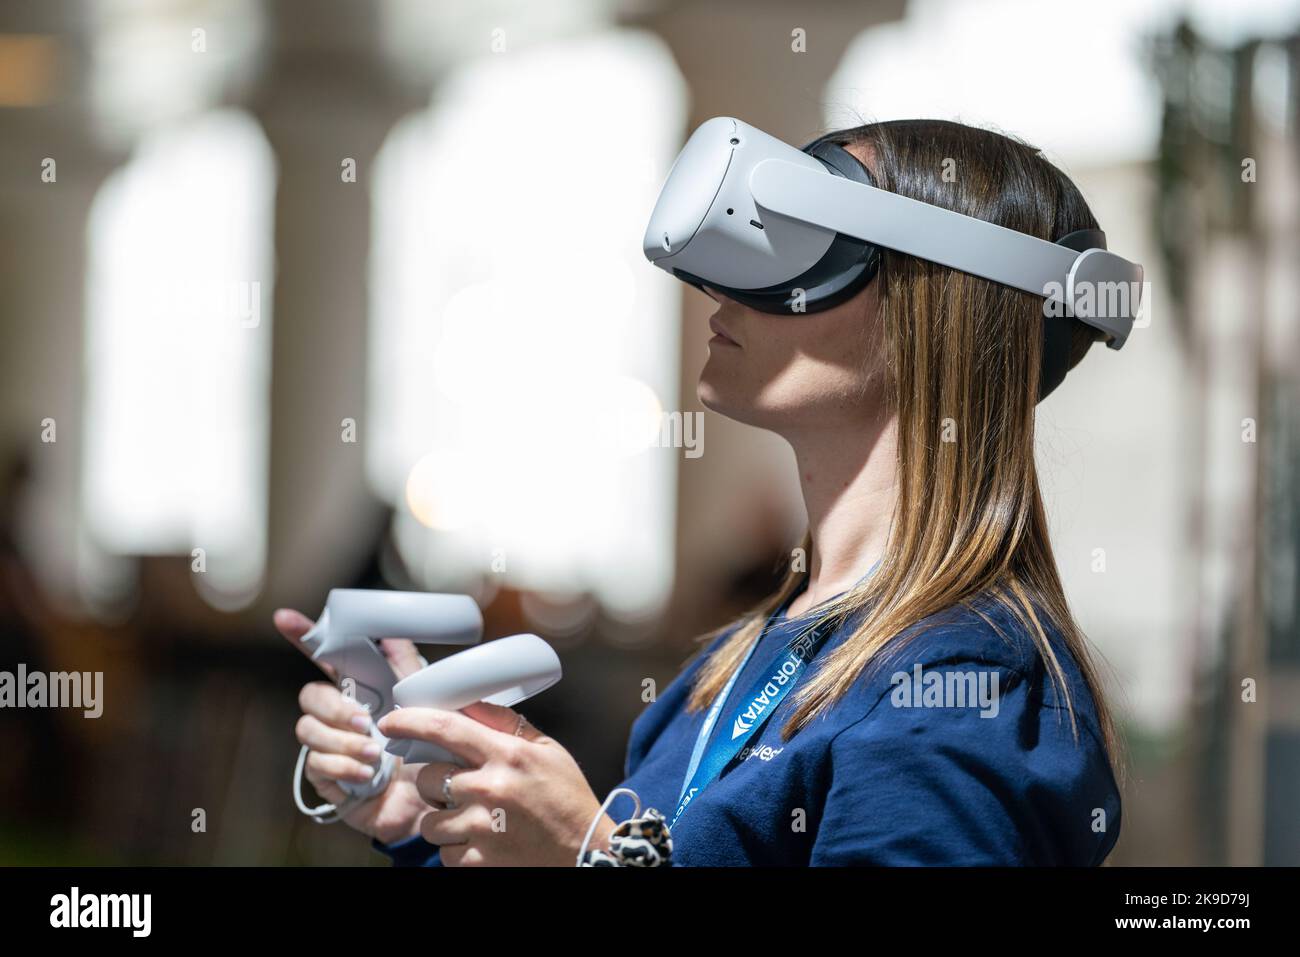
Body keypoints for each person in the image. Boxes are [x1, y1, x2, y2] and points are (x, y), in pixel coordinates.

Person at [276, 118, 1124, 866]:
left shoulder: (963, 683)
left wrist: (594, 857)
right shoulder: (738, 662)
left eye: (801, 239)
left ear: (931, 310)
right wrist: (426, 818)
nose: (720, 285)